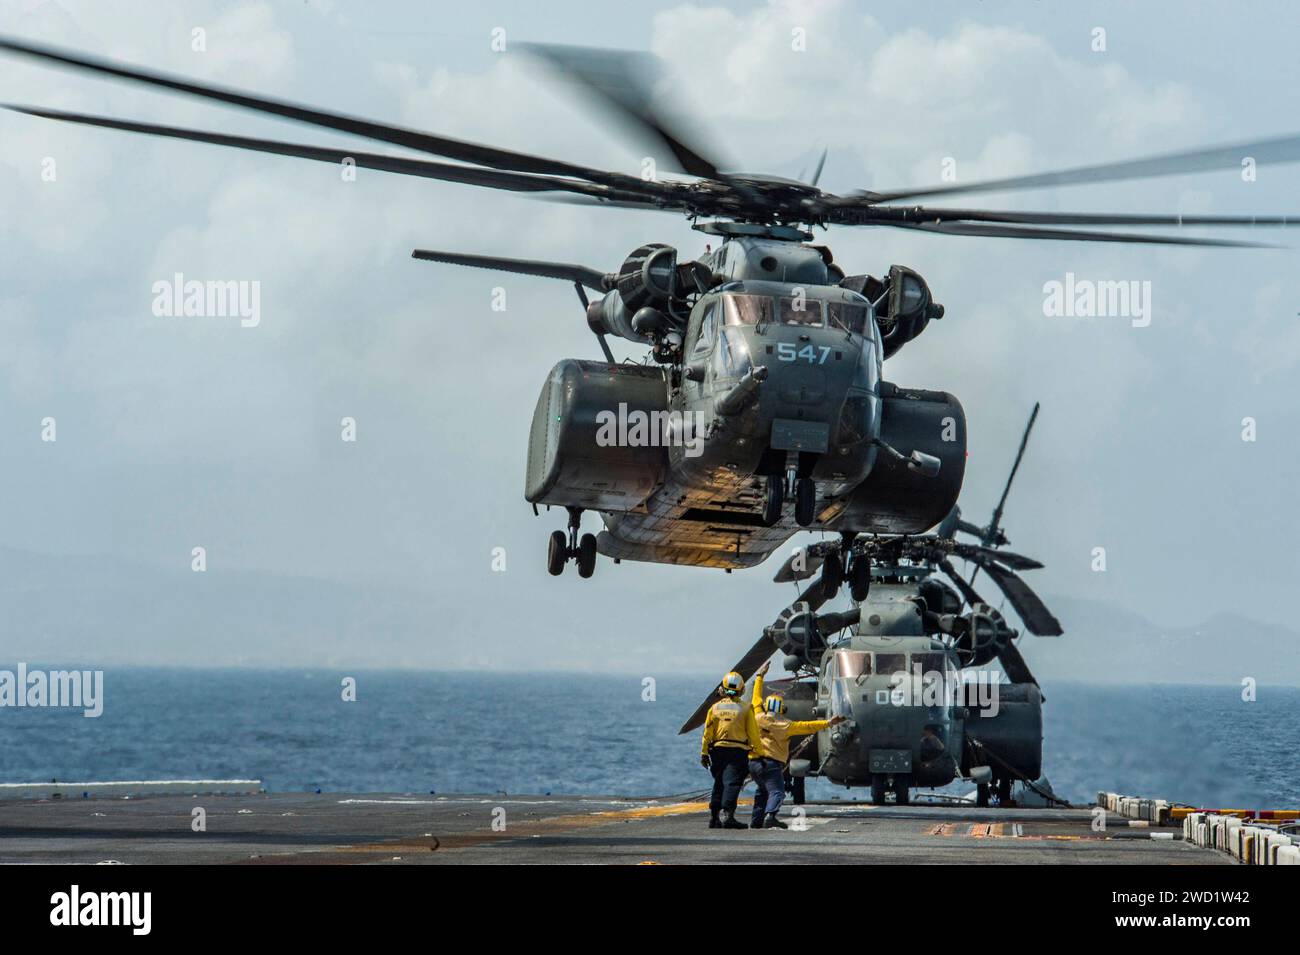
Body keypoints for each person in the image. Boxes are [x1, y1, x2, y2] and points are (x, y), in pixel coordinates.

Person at [747, 661, 846, 829]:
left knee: (761, 790)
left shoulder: (757, 716)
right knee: (777, 791)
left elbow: (756, 698)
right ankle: (770, 815)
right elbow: (808, 726)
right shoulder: (786, 726)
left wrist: (759, 676)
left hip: (753, 763)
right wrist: (829, 722)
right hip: (771, 764)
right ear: (782, 709)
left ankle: (756, 820)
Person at [700, 670, 764, 829]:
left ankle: (714, 818)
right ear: (742, 690)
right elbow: (753, 734)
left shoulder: (714, 708)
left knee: (719, 782)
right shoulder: (745, 708)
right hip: (737, 751)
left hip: (717, 750)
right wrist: (761, 754)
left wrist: (704, 753)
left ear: (723, 688)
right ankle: (728, 816)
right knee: (732, 783)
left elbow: (707, 734)